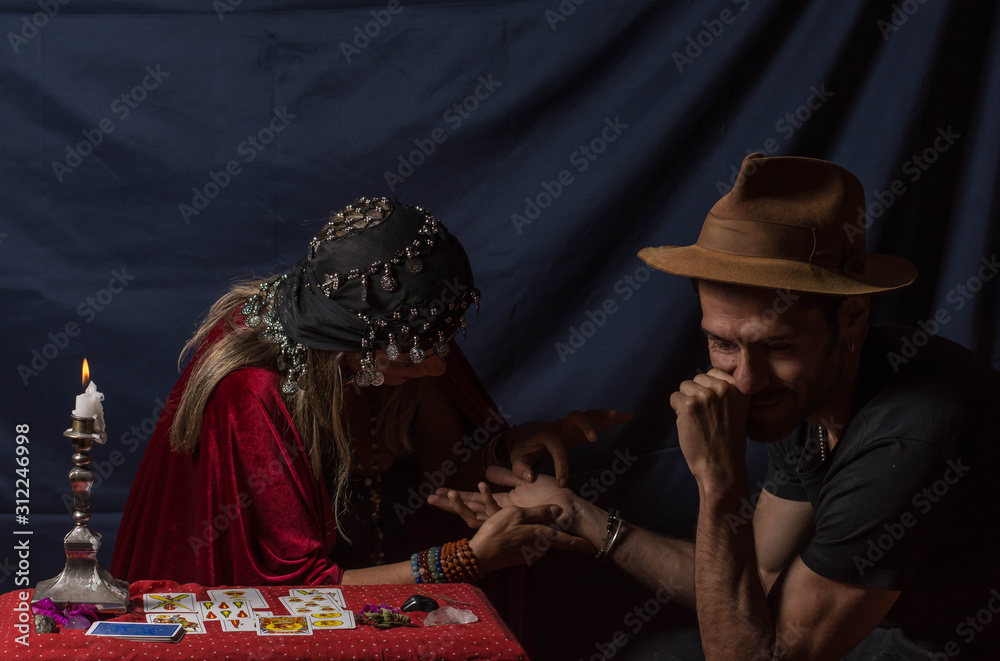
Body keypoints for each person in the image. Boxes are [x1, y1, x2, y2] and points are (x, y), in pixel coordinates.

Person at [435, 155, 1000, 659]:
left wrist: (717, 481)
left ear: (851, 319)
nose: (745, 381)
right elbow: (758, 576)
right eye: (722, 343)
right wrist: (577, 515)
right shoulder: (810, 390)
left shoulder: (911, 435)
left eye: (777, 345)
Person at [110, 196, 623, 587]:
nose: (439, 365)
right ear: (349, 343)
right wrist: (463, 560)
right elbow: (293, 591)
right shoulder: (253, 395)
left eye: (445, 344)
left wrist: (509, 452)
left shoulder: (408, 337)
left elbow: (441, 483)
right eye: (418, 354)